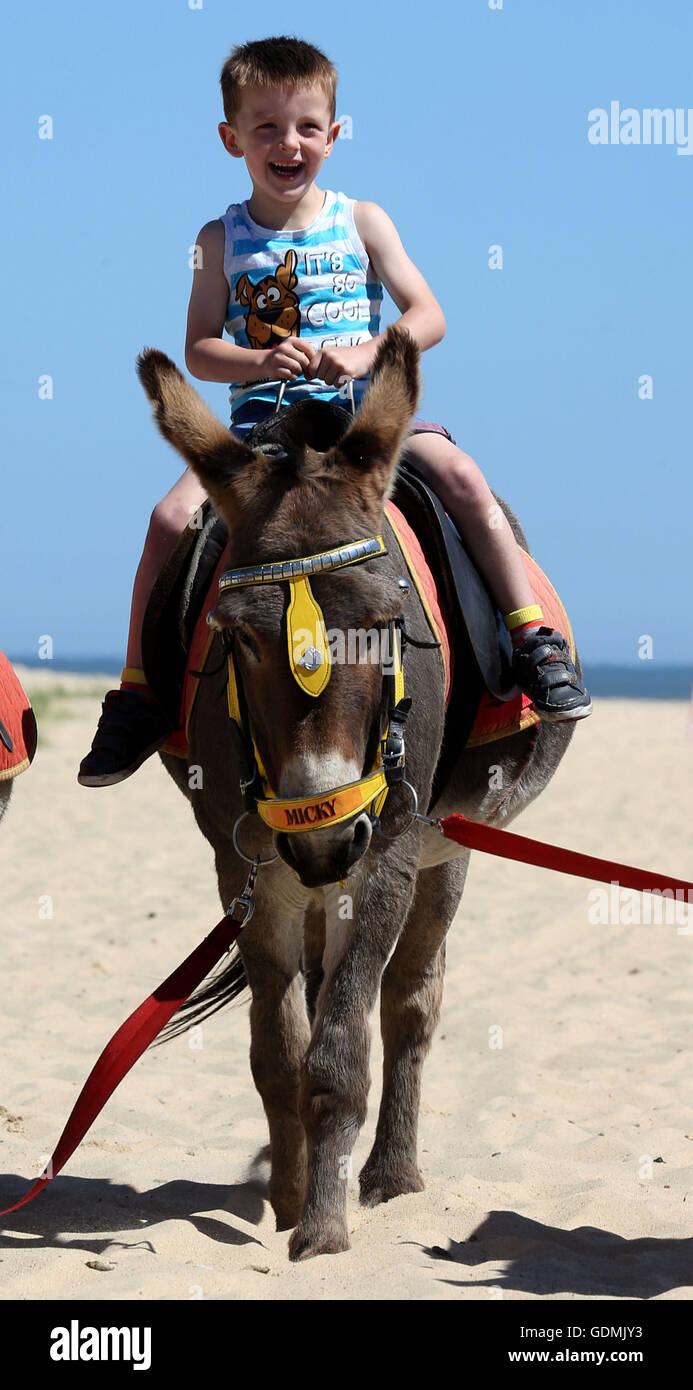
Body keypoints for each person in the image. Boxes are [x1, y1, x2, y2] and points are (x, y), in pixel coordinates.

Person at [78, 34, 590, 787]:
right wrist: (255, 361)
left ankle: (530, 640)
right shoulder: (217, 239)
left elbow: (428, 315)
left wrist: (365, 355)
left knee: (464, 481)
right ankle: (139, 693)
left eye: (307, 127)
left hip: (365, 430)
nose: (289, 143)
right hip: (260, 438)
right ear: (231, 140)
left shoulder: (362, 221)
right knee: (165, 521)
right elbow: (196, 349)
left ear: (334, 135)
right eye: (266, 127)